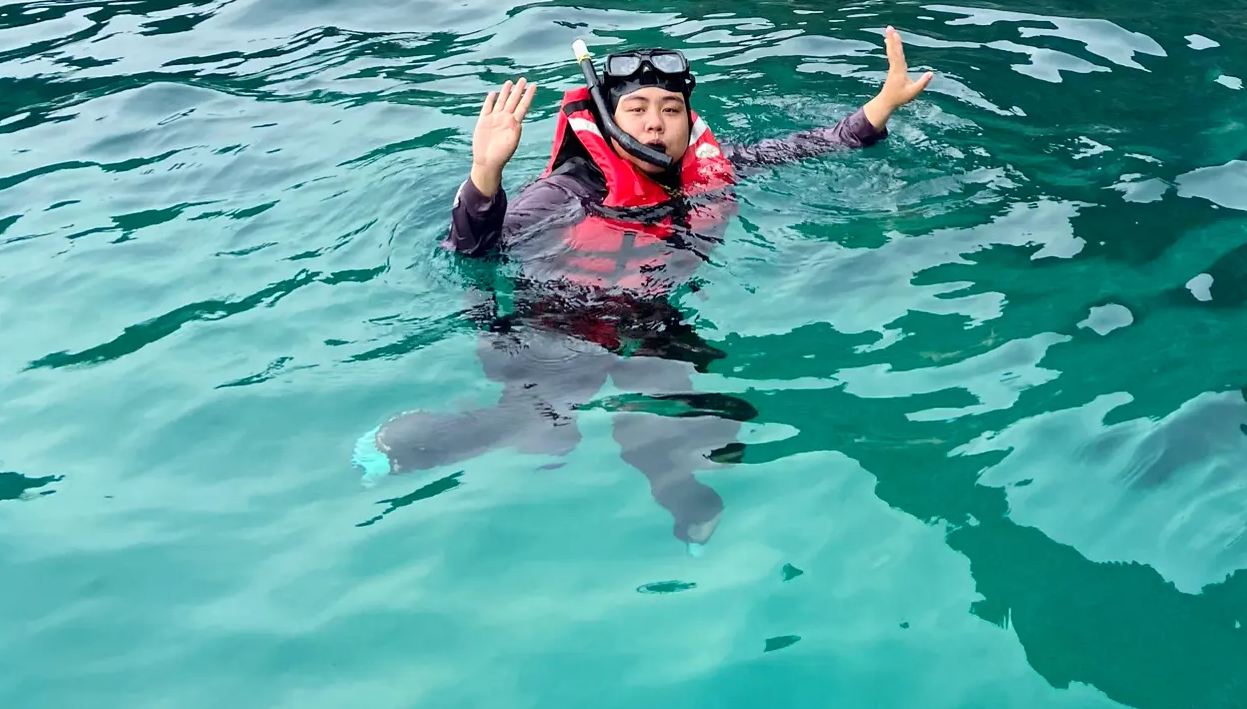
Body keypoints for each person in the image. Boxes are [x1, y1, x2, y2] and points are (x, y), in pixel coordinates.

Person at [354, 30, 932, 544]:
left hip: (647, 317)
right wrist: (486, 176)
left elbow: (804, 147)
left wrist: (879, 108)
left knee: (692, 406)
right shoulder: (565, 192)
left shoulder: (704, 173)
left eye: (671, 109)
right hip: (556, 324)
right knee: (541, 418)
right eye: (636, 108)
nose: (655, 122)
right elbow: (472, 251)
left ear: (688, 121)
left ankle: (674, 487)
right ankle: (418, 447)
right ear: (609, 121)